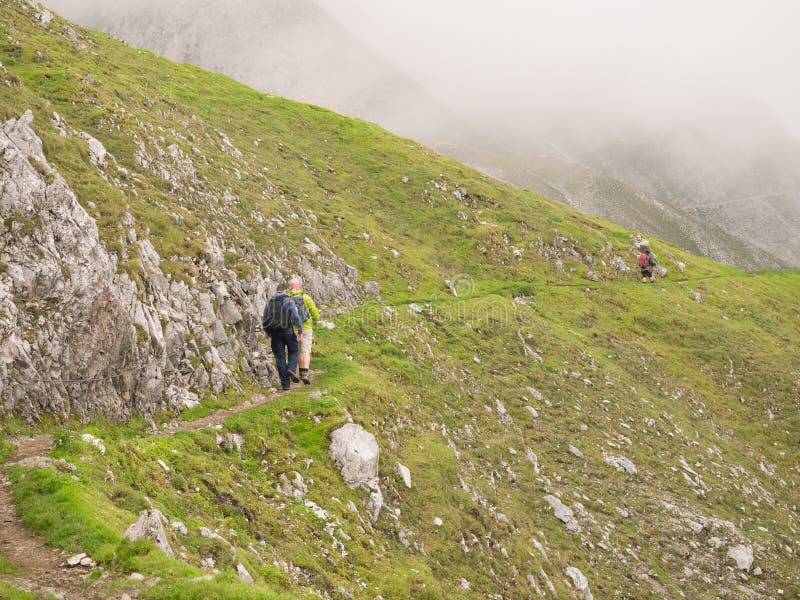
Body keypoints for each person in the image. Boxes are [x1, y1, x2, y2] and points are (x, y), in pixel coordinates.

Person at [262, 282, 304, 390]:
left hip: (275, 334)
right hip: (288, 331)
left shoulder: (269, 302)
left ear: (277, 290)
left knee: (279, 357)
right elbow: (295, 316)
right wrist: (299, 330)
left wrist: (268, 333)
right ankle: (291, 369)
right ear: (285, 290)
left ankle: (285, 385)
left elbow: (264, 320)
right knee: (294, 351)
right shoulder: (289, 301)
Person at [287, 277, 320, 385]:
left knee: (296, 351)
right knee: (305, 351)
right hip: (306, 327)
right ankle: (304, 373)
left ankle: (294, 371)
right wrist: (315, 320)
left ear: (289, 287)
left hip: (293, 329)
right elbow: (314, 311)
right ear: (300, 286)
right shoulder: (306, 297)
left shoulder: (287, 298)